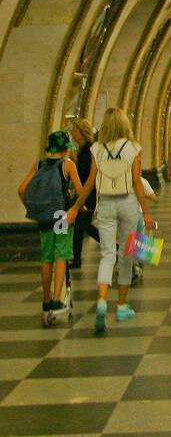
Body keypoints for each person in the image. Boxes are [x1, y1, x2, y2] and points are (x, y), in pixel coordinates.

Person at [69, 108, 155, 333]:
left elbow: (89, 183)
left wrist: (76, 207)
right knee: (126, 256)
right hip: (127, 203)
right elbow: (137, 182)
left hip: (105, 203)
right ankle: (122, 306)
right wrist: (145, 211)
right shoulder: (134, 148)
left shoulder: (97, 148)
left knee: (107, 255)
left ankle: (101, 301)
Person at [18, 129, 84, 320]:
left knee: (46, 258)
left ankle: (46, 300)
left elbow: (21, 190)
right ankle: (57, 299)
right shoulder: (67, 165)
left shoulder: (39, 165)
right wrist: (77, 207)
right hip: (60, 216)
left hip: (44, 218)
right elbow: (80, 191)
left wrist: (33, 209)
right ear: (65, 149)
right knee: (61, 254)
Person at [68, 118, 99, 268]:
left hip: (90, 195)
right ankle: (76, 258)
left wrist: (75, 162)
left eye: (74, 131)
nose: (72, 134)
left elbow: (88, 178)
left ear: (82, 133)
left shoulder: (89, 151)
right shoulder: (85, 150)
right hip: (95, 196)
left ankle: (129, 251)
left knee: (84, 226)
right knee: (82, 225)